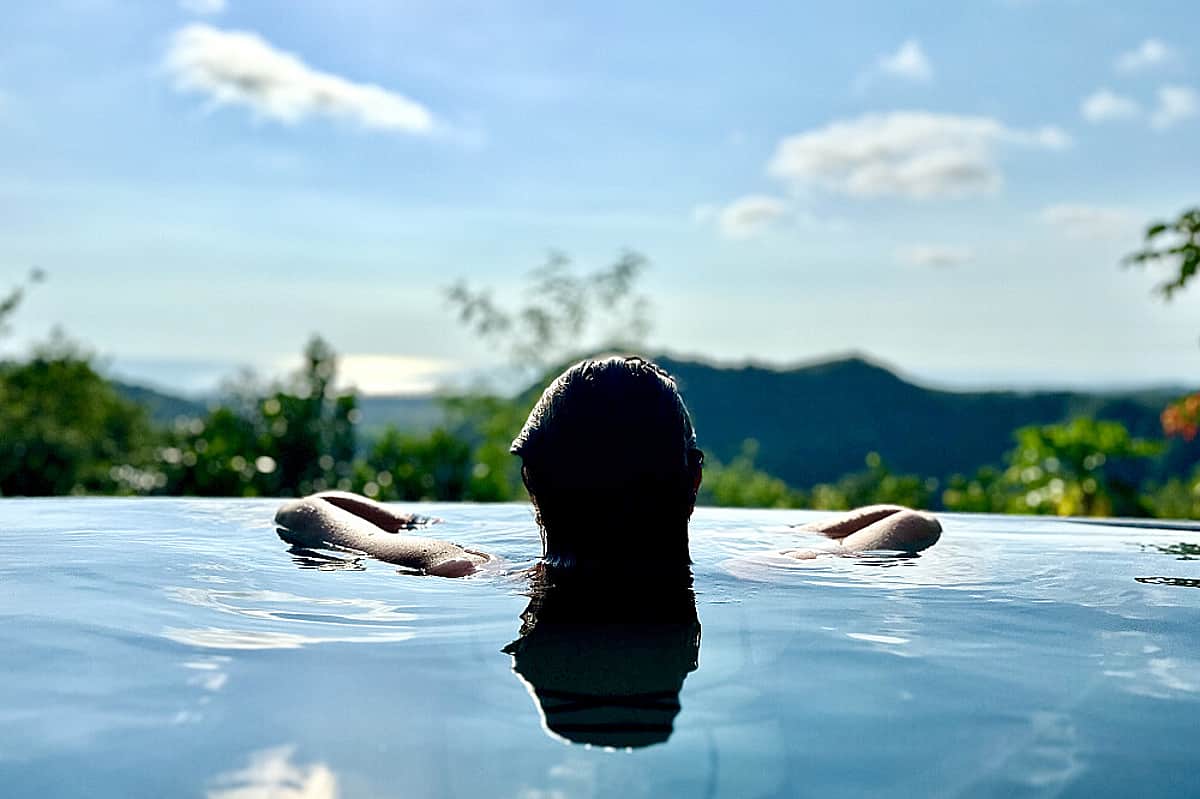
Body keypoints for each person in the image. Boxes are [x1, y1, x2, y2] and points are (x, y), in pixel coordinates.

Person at [274, 354, 942, 577]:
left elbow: (306, 510)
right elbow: (910, 522)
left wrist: (410, 525)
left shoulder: (462, 567)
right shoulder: (761, 570)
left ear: (532, 481)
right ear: (693, 479)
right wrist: (810, 536)